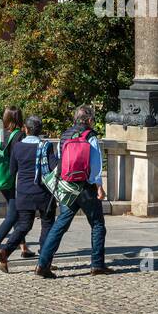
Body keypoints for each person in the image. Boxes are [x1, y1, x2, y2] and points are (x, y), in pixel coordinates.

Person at [35, 105, 107, 279]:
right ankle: (97, 264)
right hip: (86, 188)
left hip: (68, 186)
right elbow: (96, 164)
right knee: (97, 225)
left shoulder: (65, 135)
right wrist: (99, 186)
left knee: (60, 225)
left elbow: (61, 161)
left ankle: (43, 264)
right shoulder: (91, 136)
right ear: (89, 120)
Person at [0, 115, 54, 272]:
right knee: (47, 225)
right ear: (40, 131)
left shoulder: (18, 147)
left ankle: (4, 251)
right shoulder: (46, 146)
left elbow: (13, 170)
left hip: (24, 192)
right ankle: (43, 262)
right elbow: (53, 167)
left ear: (26, 129)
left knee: (24, 226)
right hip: (43, 192)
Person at [0, 107, 34, 263]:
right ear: (20, 118)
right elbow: (20, 157)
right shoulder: (19, 135)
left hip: (1, 177)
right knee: (13, 214)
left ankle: (24, 248)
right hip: (13, 178)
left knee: (16, 211)